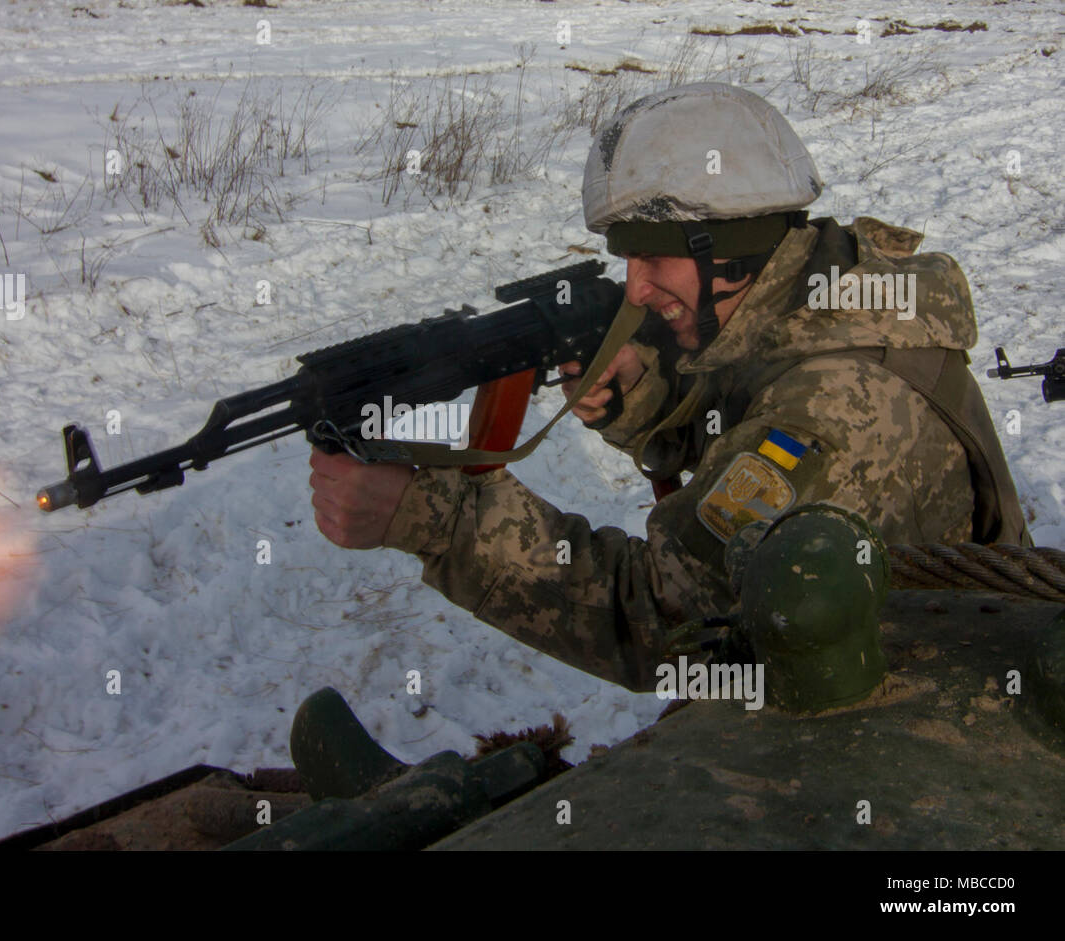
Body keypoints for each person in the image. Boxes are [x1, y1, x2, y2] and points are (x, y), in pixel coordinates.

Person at [308, 83, 1029, 693]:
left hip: (924, 715)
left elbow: (674, 628)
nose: (638, 288)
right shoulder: (816, 288)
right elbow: (747, 417)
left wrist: (431, 516)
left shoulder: (837, 417)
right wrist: (646, 402)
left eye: (654, 259)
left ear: (735, 253)